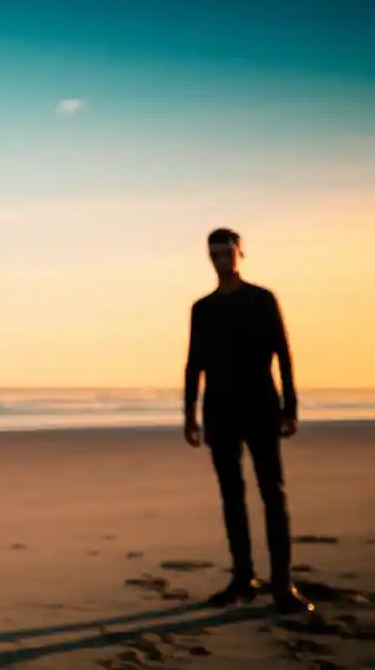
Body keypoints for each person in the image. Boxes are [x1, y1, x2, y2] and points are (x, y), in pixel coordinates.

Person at [183, 228, 310, 613]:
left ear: (240, 253)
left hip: (260, 407)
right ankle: (243, 579)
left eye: (227, 252)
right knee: (231, 497)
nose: (221, 259)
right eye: (215, 254)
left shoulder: (261, 300)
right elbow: (194, 365)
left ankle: (283, 585)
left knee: (273, 493)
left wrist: (291, 409)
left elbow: (283, 354)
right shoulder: (202, 308)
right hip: (219, 411)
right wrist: (189, 414)